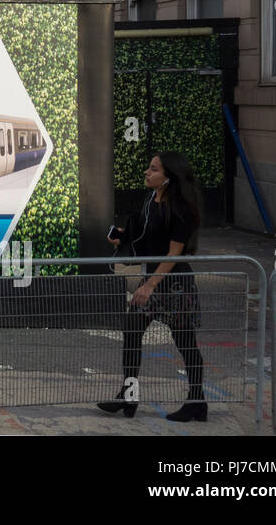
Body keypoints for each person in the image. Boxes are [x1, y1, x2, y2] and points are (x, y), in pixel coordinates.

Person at [99, 151, 205, 421]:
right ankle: (129, 395)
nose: (147, 172)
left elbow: (173, 254)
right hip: (152, 280)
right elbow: (145, 235)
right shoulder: (150, 200)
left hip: (174, 284)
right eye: (149, 167)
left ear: (170, 177)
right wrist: (122, 237)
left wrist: (149, 286)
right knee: (132, 331)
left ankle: (197, 401)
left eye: (154, 169)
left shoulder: (181, 209)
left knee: (185, 343)